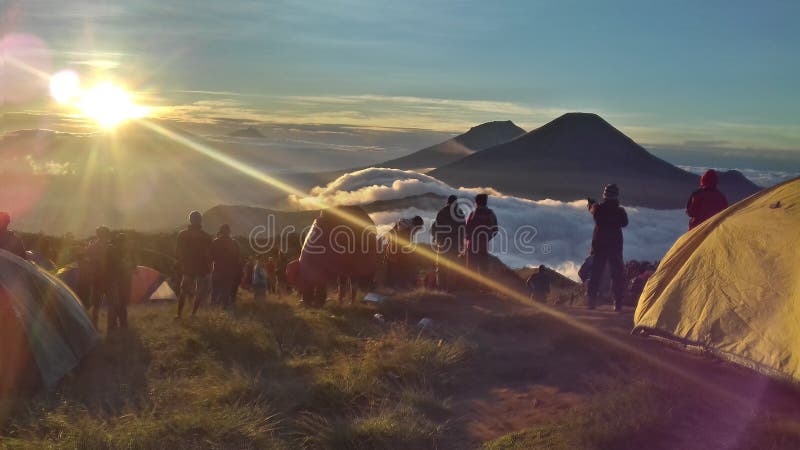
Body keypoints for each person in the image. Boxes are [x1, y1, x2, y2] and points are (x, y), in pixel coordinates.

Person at [587, 184, 628, 311]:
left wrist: (591, 205)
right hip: (615, 245)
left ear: (605, 195)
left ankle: (592, 302)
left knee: (596, 273)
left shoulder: (598, 209)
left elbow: (594, 213)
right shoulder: (620, 211)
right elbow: (624, 223)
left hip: (600, 245)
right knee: (617, 274)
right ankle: (618, 303)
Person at [176, 211, 213, 318]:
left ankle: (179, 315)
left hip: (188, 267)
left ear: (190, 220)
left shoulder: (182, 234)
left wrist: (181, 263)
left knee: (184, 291)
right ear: (200, 220)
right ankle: (193, 314)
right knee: (199, 292)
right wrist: (209, 267)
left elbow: (178, 252)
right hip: (202, 268)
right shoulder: (206, 236)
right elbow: (209, 255)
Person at [431, 195, 466, 291]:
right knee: (453, 266)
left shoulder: (442, 212)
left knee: (441, 266)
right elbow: (462, 229)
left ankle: (440, 287)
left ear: (448, 202)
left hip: (442, 243)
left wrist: (435, 238)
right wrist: (462, 244)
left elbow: (435, 226)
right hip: (455, 244)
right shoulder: (459, 213)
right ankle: (451, 288)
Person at [107, 233, 136, 332]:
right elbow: (134, 267)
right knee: (119, 302)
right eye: (122, 241)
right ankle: (120, 323)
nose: (123, 244)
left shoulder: (120, 251)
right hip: (118, 280)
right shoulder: (114, 251)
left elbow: (134, 266)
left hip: (122, 280)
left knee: (121, 302)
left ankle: (118, 324)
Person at [385, 216, 424, 287]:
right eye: (418, 228)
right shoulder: (407, 230)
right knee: (399, 274)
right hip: (398, 255)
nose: (417, 231)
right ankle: (397, 289)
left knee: (392, 273)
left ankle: (390, 288)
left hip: (391, 252)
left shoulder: (401, 224)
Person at [465, 193, 498, 276]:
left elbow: (466, 229)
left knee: (471, 269)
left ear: (476, 202)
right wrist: (487, 238)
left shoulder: (472, 214)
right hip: (484, 246)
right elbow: (495, 230)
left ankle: (473, 287)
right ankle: (483, 288)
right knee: (484, 269)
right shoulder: (490, 214)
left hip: (472, 245)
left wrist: (468, 239)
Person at [86, 226, 112, 327]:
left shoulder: (92, 247)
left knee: (96, 305)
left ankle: (94, 326)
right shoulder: (110, 247)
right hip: (108, 278)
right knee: (111, 304)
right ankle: (111, 326)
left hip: (97, 278)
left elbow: (86, 259)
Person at [211, 224, 241, 309]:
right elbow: (238, 260)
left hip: (217, 271)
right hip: (230, 272)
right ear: (229, 232)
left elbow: (210, 257)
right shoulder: (234, 243)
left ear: (220, 232)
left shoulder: (215, 242)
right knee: (226, 290)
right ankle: (224, 307)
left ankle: (214, 308)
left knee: (215, 291)